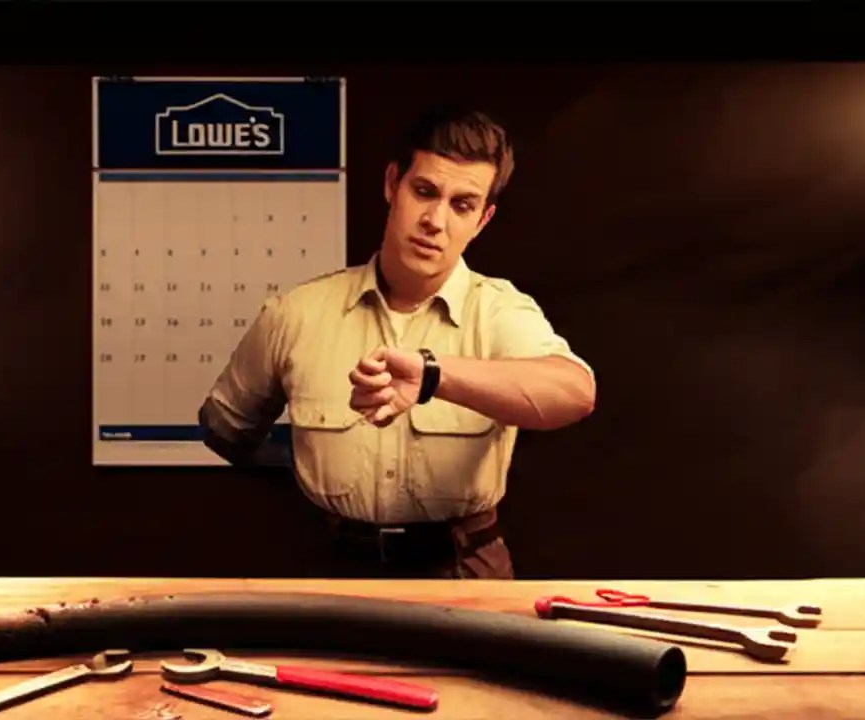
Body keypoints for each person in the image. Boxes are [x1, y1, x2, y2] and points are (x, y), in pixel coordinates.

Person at [198, 104, 596, 579]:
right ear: (393, 184)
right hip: (325, 566)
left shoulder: (500, 312)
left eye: (461, 205)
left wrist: (433, 375)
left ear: (483, 220)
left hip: (461, 569)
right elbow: (225, 429)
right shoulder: (296, 313)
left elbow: (575, 392)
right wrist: (310, 466)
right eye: (424, 191)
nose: (435, 220)